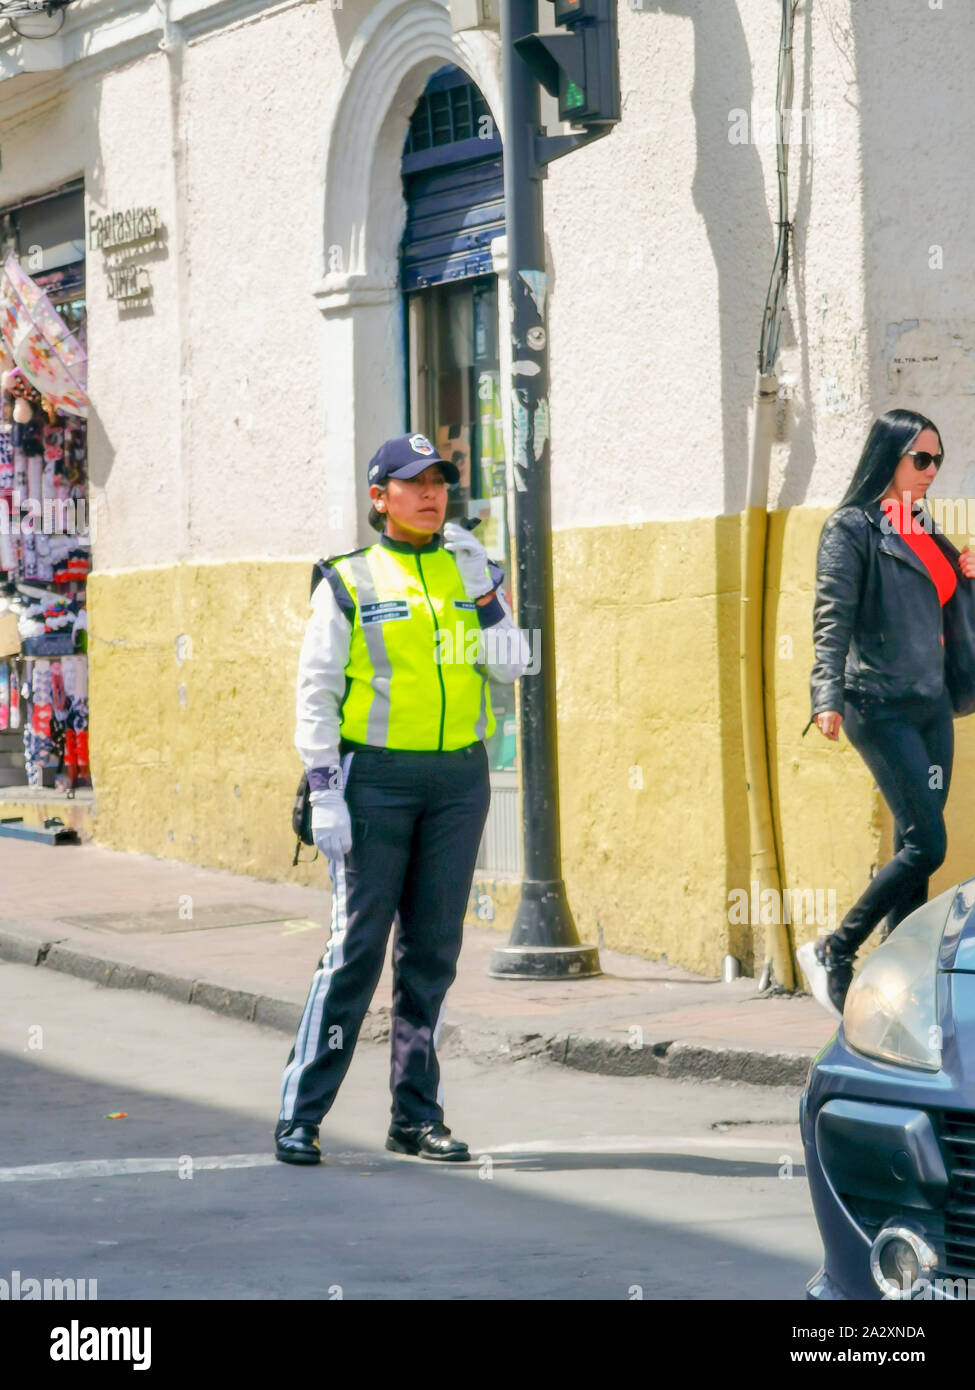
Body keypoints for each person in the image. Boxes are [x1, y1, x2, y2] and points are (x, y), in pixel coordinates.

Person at [275, 432, 530, 1165]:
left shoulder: (471, 571)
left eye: (440, 482)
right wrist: (324, 790)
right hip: (375, 782)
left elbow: (514, 669)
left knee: (431, 957)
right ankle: (302, 1114)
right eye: (413, 483)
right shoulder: (349, 580)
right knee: (354, 951)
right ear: (378, 497)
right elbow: (316, 691)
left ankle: (414, 1116)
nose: (430, 494)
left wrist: (485, 593)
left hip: (457, 781)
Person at [798, 408, 975, 1018]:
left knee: (915, 847)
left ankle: (903, 988)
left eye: (937, 460)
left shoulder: (922, 526)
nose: (931, 471)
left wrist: (969, 575)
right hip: (876, 704)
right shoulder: (851, 528)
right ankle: (835, 949)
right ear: (889, 456)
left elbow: (947, 607)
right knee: (927, 844)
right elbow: (831, 618)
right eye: (920, 459)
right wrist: (826, 695)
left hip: (930, 707)